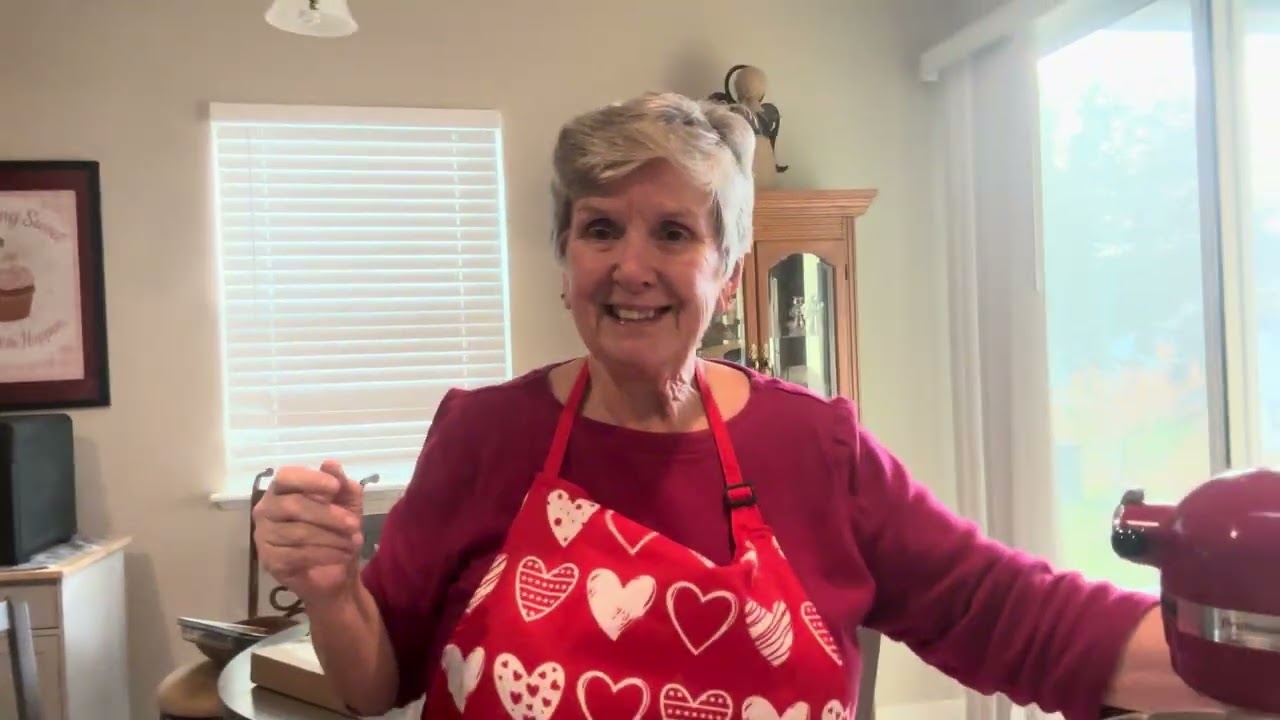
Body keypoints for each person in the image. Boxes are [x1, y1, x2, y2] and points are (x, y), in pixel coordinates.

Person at [251, 91, 1221, 720]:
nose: (630, 267)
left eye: (673, 232)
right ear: (563, 262)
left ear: (727, 274)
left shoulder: (816, 448)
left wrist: (1239, 650)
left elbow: (1017, 619)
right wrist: (334, 589)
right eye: (598, 230)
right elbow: (378, 680)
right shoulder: (482, 435)